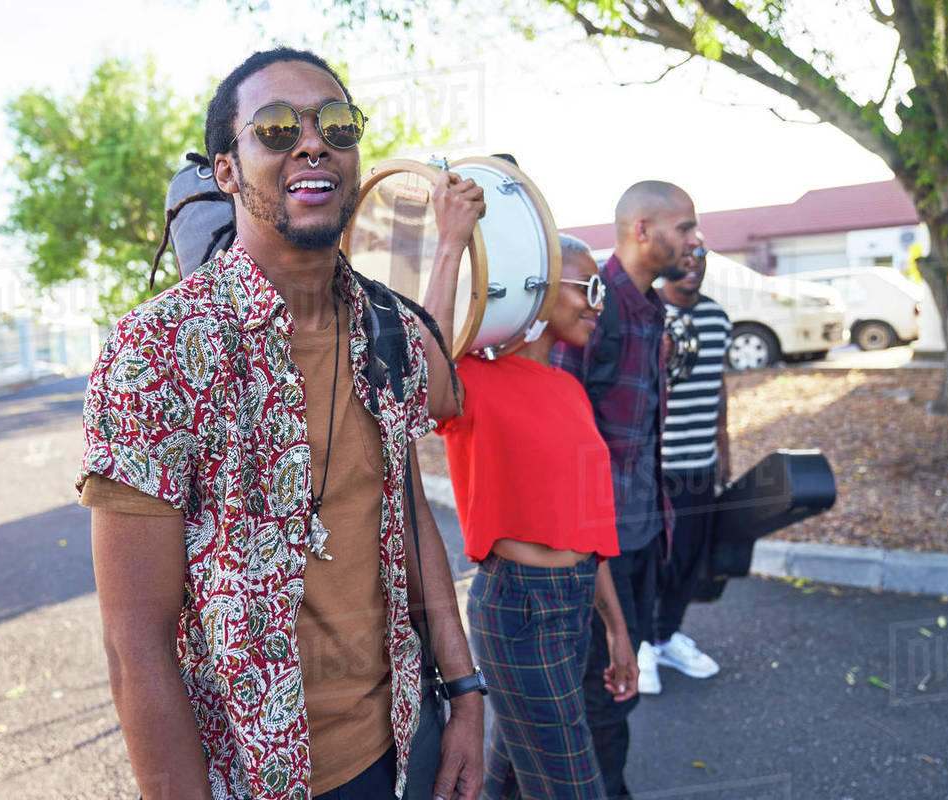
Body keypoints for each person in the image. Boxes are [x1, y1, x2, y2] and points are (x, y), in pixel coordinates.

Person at [77, 48, 484, 800]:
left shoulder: (384, 328)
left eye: (336, 123)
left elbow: (407, 507)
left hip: (407, 742)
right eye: (273, 128)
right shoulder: (155, 353)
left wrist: (465, 695)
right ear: (226, 170)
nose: (311, 141)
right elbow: (135, 645)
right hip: (254, 777)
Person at [422, 185, 639, 799]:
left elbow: (589, 529)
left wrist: (616, 630)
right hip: (519, 610)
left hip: (573, 606)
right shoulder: (472, 378)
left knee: (508, 783)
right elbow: (423, 372)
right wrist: (450, 243)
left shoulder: (568, 390)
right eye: (586, 287)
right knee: (573, 787)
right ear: (538, 286)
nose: (599, 303)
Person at [552, 181, 700, 799]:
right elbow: (561, 437)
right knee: (600, 702)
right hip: (594, 551)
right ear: (642, 230)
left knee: (619, 690)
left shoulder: (652, 309)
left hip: (640, 538)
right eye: (685, 227)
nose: (696, 241)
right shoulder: (593, 306)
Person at [637, 242, 731, 695]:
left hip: (701, 463)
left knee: (690, 559)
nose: (694, 268)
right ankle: (640, 646)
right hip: (659, 465)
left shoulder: (717, 317)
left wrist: (724, 447)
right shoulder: (649, 313)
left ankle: (665, 636)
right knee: (654, 560)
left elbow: (718, 385)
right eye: (686, 260)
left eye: (702, 259)